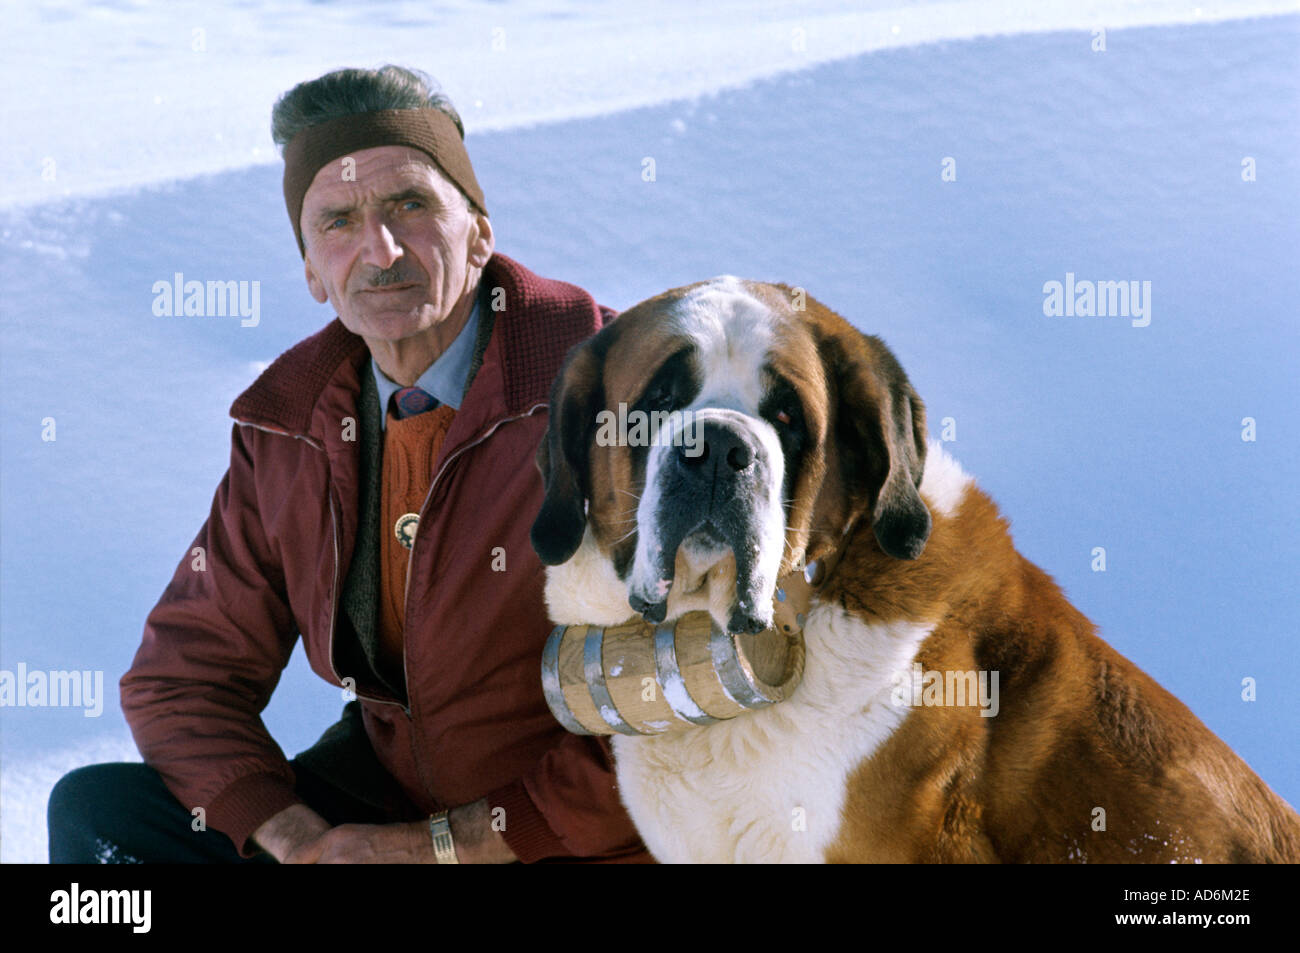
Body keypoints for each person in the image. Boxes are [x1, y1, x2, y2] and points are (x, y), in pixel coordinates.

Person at [47, 65, 649, 864]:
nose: (381, 250)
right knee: (101, 817)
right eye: (338, 221)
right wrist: (298, 839)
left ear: (479, 232)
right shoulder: (290, 426)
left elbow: (681, 703)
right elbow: (183, 680)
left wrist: (438, 849)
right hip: (380, 801)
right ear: (309, 271)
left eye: (410, 204)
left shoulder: (616, 394)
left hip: (568, 836)